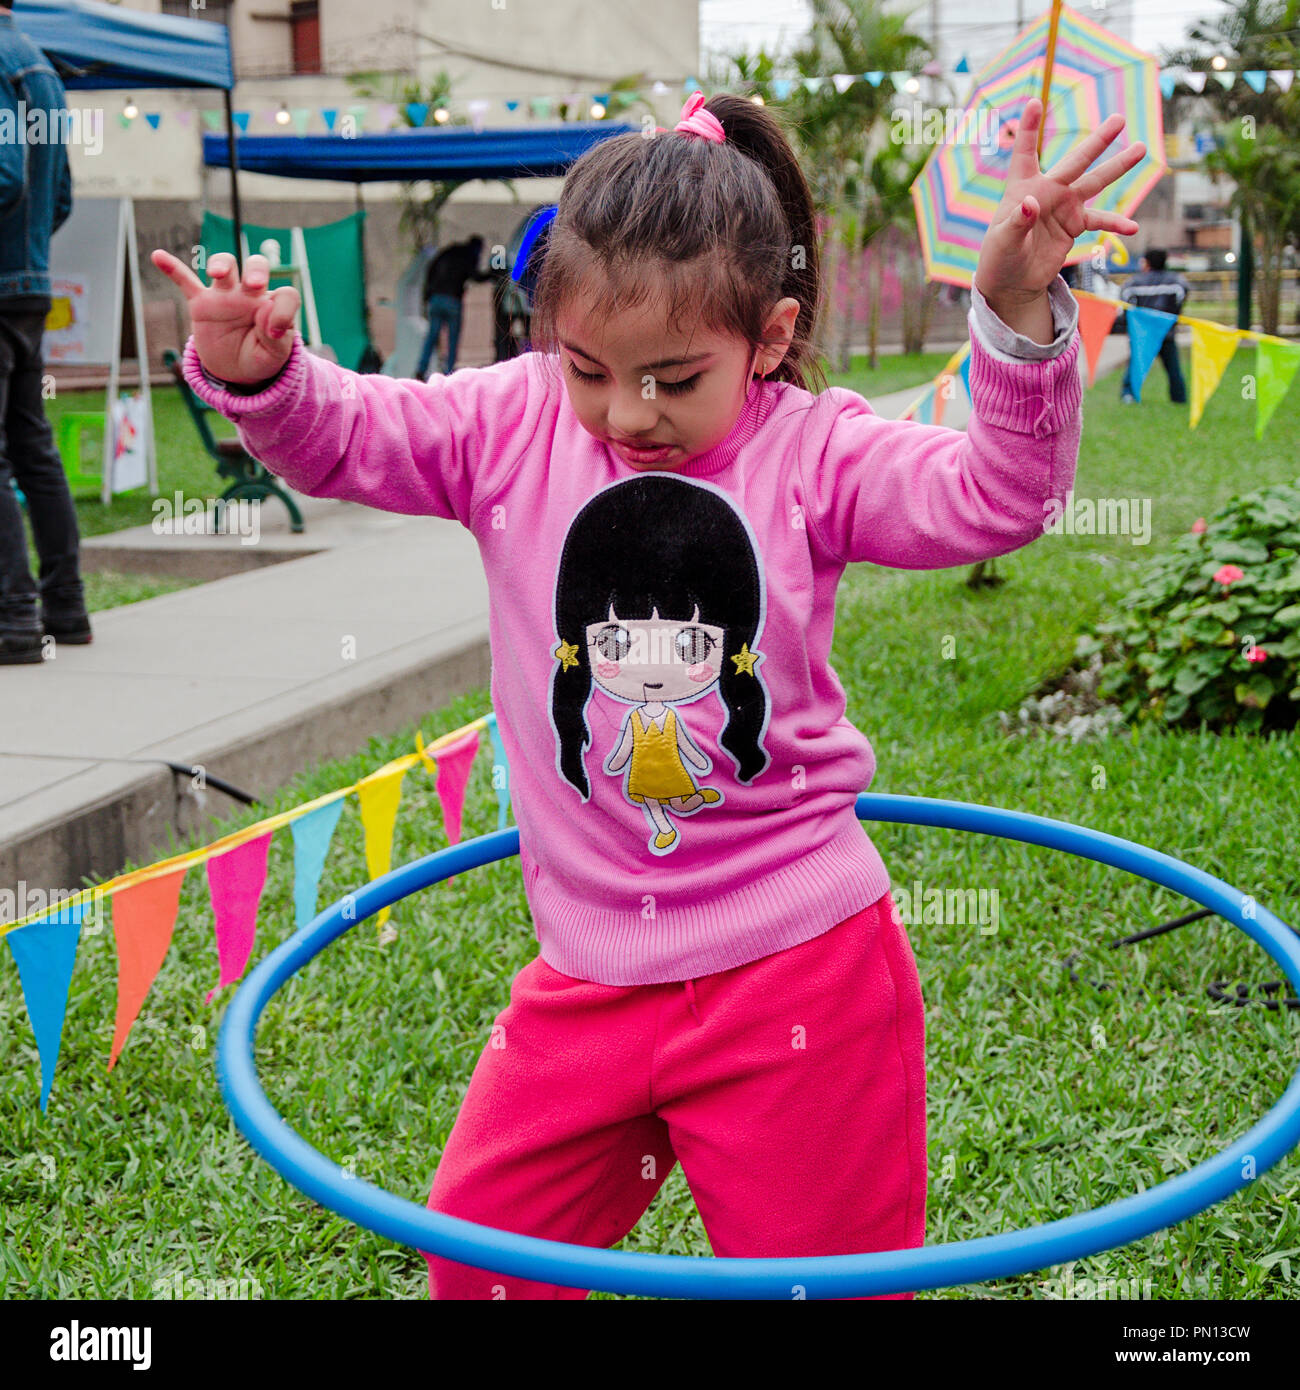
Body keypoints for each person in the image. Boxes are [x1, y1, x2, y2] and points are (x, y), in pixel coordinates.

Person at [153, 89, 1143, 1300]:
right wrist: (259, 372)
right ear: (550, 337)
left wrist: (1014, 312)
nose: (629, 414)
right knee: (480, 1274)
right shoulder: (508, 424)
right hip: (586, 980)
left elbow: (1003, 499)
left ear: (769, 337)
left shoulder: (814, 450)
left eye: (676, 379)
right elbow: (356, 433)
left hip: (800, 976)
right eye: (590, 369)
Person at [0, 3, 87, 664]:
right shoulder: (43, 66)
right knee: (32, 444)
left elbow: (5, 174)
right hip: (29, 283)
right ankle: (68, 607)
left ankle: (15, 622)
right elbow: (58, 196)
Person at [413, 234, 493, 379]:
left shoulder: (448, 252)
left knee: (432, 335)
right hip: (452, 301)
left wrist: (428, 295)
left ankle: (421, 369)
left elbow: (430, 270)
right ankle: (449, 372)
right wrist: (493, 274)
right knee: (453, 338)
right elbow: (475, 276)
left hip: (435, 299)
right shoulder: (469, 256)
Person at [1118, 248, 1188, 404]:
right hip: (1166, 332)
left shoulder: (1134, 283)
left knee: (1135, 364)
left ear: (1147, 263)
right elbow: (1181, 299)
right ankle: (1179, 397)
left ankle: (1128, 394)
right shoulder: (1176, 281)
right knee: (1173, 367)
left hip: (1142, 334)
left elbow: (1125, 302)